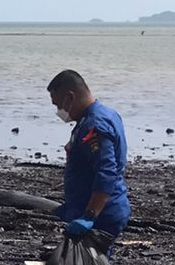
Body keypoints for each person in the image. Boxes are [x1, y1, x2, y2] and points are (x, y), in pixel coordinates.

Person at [47, 70, 130, 244]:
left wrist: (89, 216)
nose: (59, 111)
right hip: (93, 208)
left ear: (70, 97)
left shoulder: (94, 124)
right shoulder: (105, 114)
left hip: (101, 214)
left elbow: (106, 171)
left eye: (58, 105)